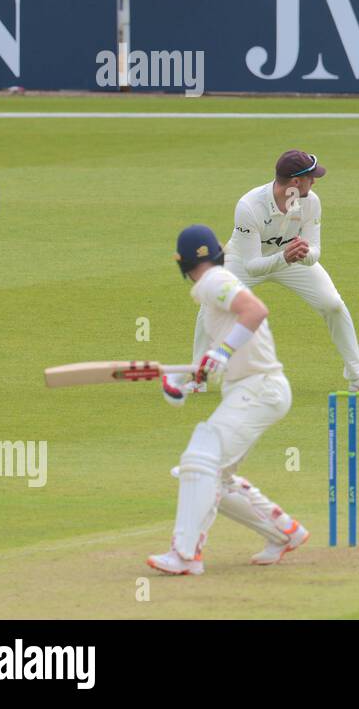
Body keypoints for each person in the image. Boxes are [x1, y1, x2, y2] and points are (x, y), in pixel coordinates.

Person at [147, 224, 309, 576]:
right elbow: (209, 365)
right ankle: (284, 533)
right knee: (215, 475)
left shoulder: (212, 281)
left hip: (259, 388)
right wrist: (179, 380)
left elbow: (255, 310)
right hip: (254, 389)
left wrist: (221, 351)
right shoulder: (212, 300)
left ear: (183, 263)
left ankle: (185, 556)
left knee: (197, 459)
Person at [192, 151, 359, 397]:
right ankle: (196, 375)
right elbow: (252, 265)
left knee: (333, 304)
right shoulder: (249, 206)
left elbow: (315, 253)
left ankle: (357, 375)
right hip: (245, 259)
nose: (314, 181)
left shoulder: (311, 201)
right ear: (295, 181)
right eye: (310, 177)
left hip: (290, 259)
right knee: (212, 303)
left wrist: (303, 253)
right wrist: (284, 257)